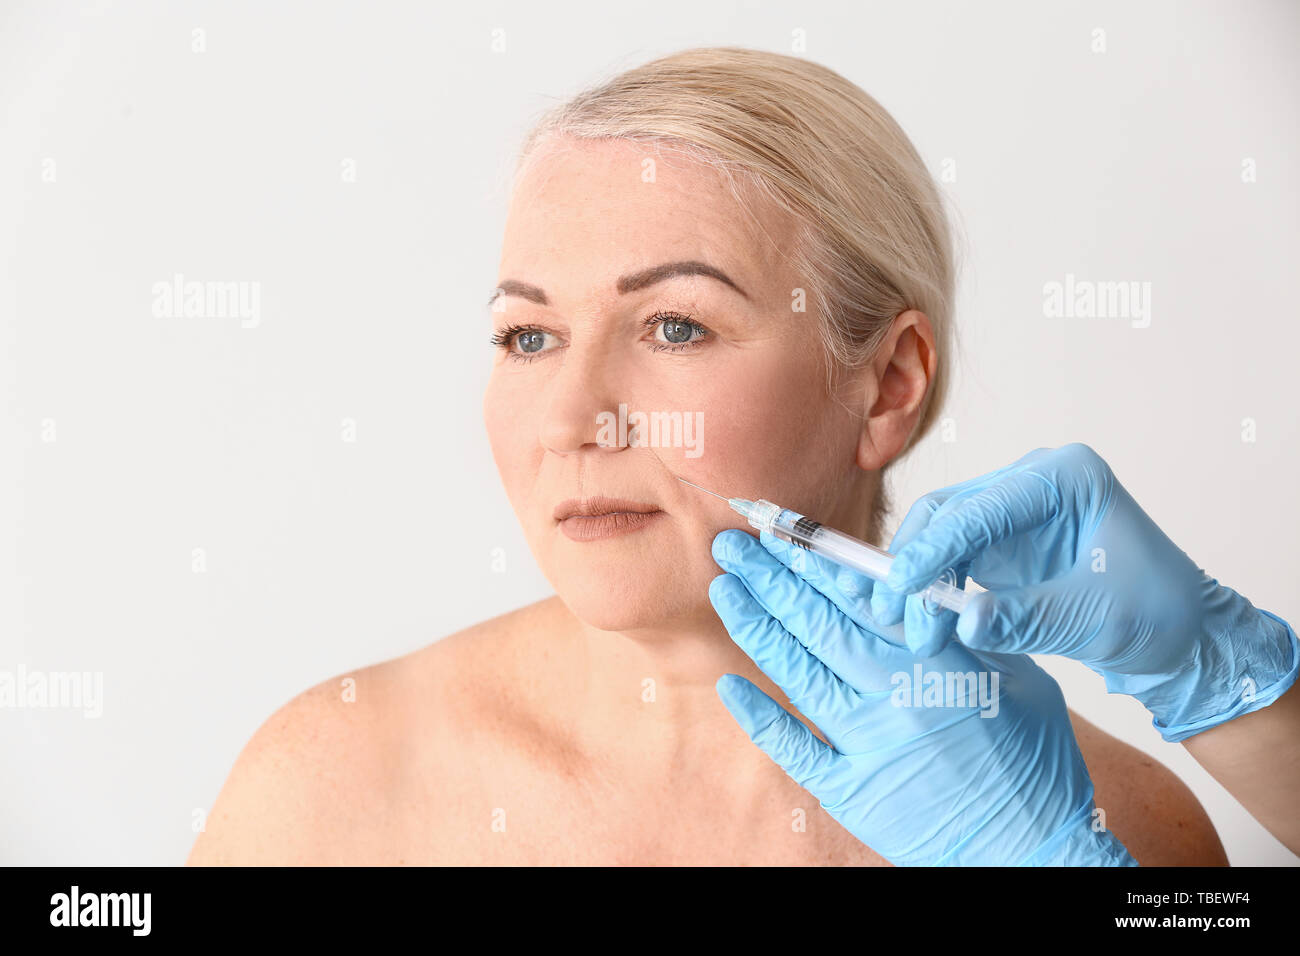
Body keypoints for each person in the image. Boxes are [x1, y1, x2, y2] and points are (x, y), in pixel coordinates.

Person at [187, 47, 1235, 866]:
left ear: (889, 384)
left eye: (674, 326)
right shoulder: (332, 786)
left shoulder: (1110, 825)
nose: (569, 416)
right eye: (528, 335)